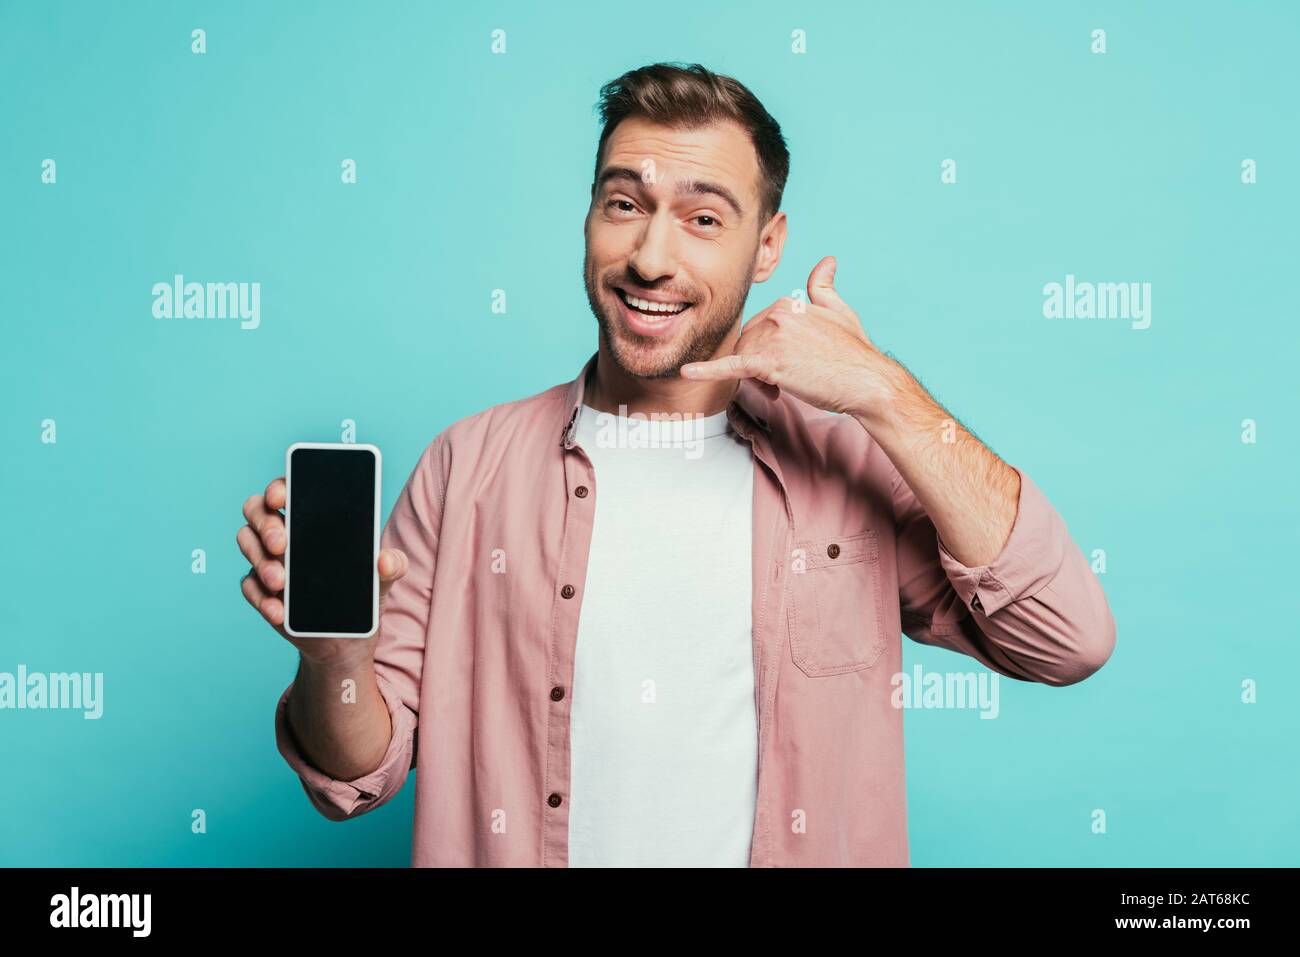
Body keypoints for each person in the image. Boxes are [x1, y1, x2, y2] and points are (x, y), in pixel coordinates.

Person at [237, 62, 1115, 867]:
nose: (652, 258)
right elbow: (355, 780)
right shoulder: (469, 465)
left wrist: (885, 394)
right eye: (624, 205)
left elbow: (1067, 637)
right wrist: (334, 661)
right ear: (587, 214)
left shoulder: (845, 465)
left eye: (703, 219)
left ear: (767, 247)